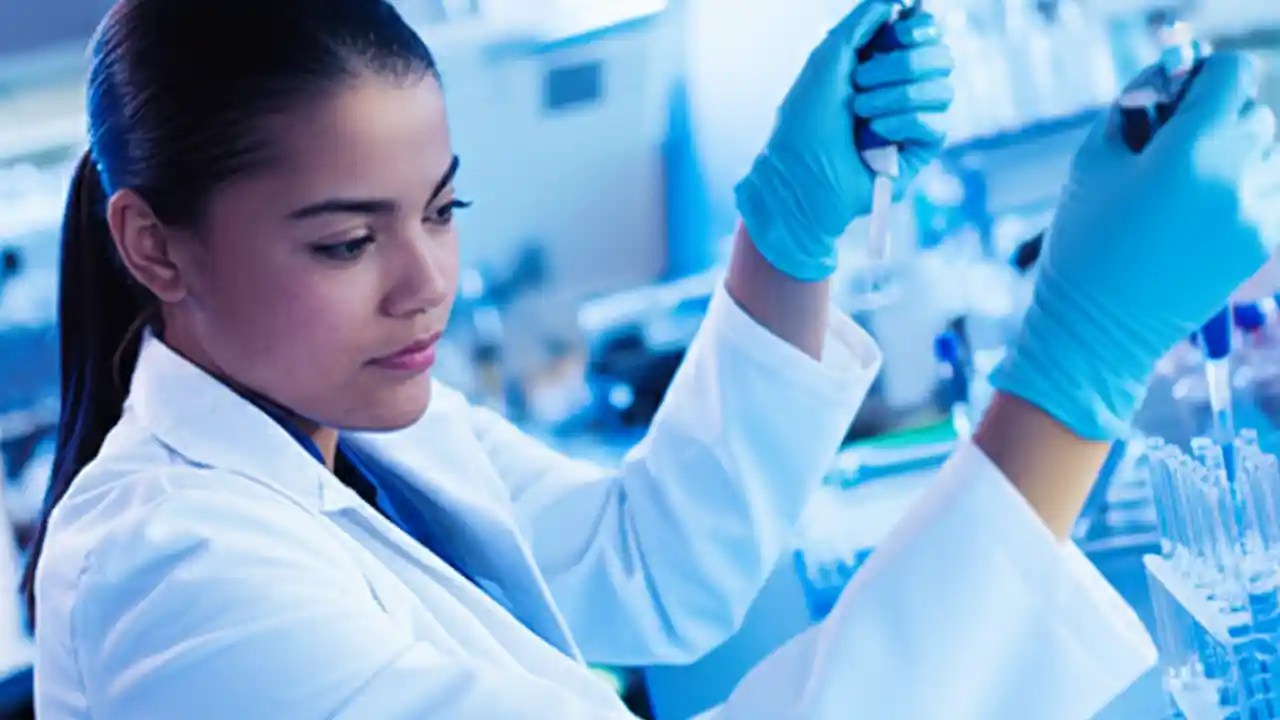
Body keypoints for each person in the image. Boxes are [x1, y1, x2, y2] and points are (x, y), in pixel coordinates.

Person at [28, 0, 1279, 717]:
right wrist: (1072, 375)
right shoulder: (172, 579)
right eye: (348, 240)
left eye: (442, 211)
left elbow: (647, 562)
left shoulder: (353, 427)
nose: (429, 287)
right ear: (154, 246)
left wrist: (787, 238)